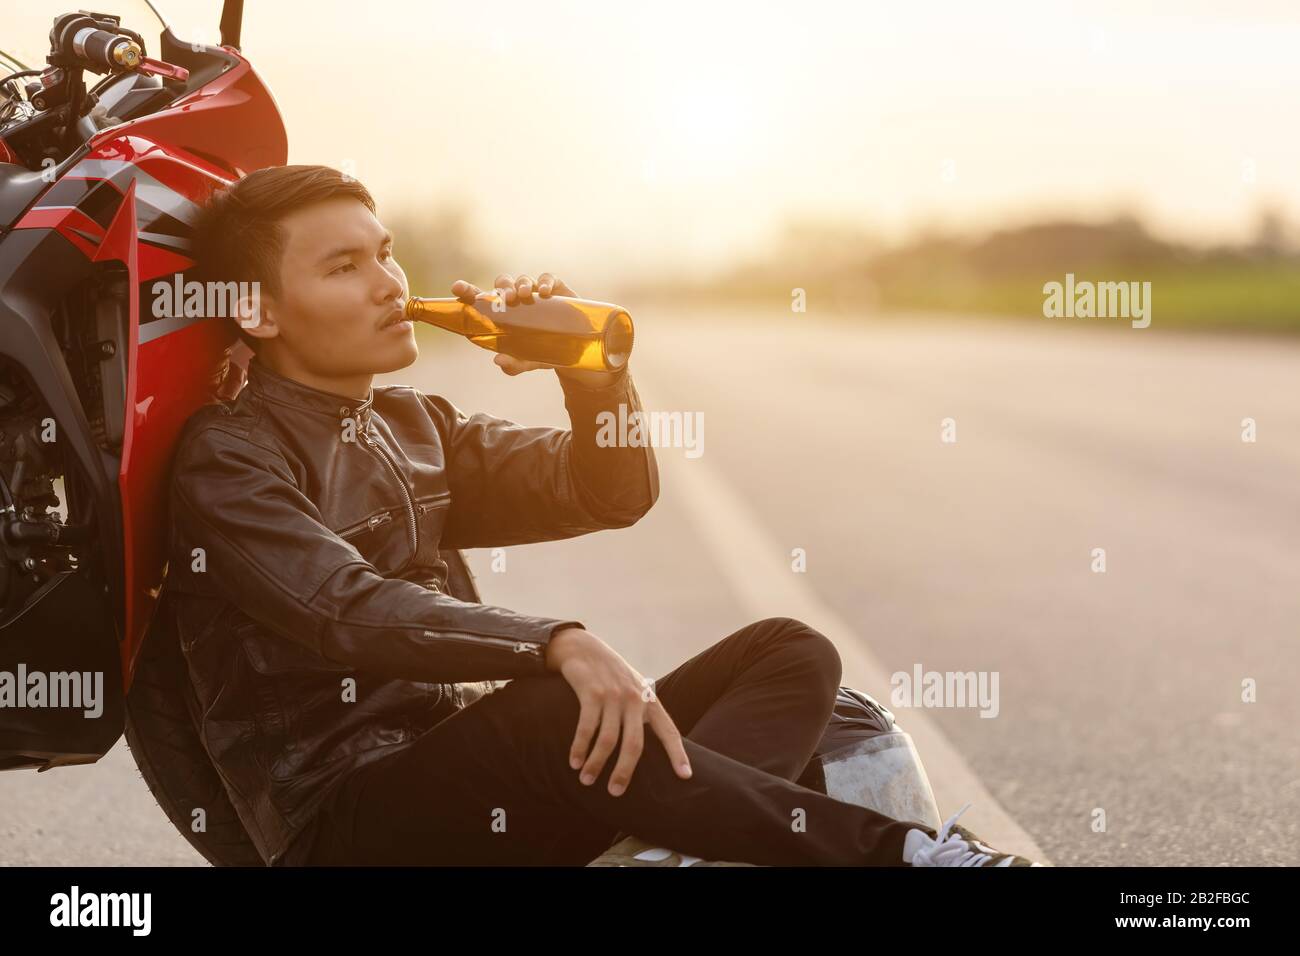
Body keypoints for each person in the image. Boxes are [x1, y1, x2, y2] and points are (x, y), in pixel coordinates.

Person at [169, 163, 1039, 867]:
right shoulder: (227, 455)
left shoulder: (411, 422)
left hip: (488, 794)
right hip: (349, 824)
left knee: (789, 653)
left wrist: (589, 372)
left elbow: (607, 491)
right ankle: (917, 861)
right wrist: (556, 640)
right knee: (556, 705)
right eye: (343, 267)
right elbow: (343, 608)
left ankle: (663, 858)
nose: (390, 284)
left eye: (385, 252)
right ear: (257, 309)